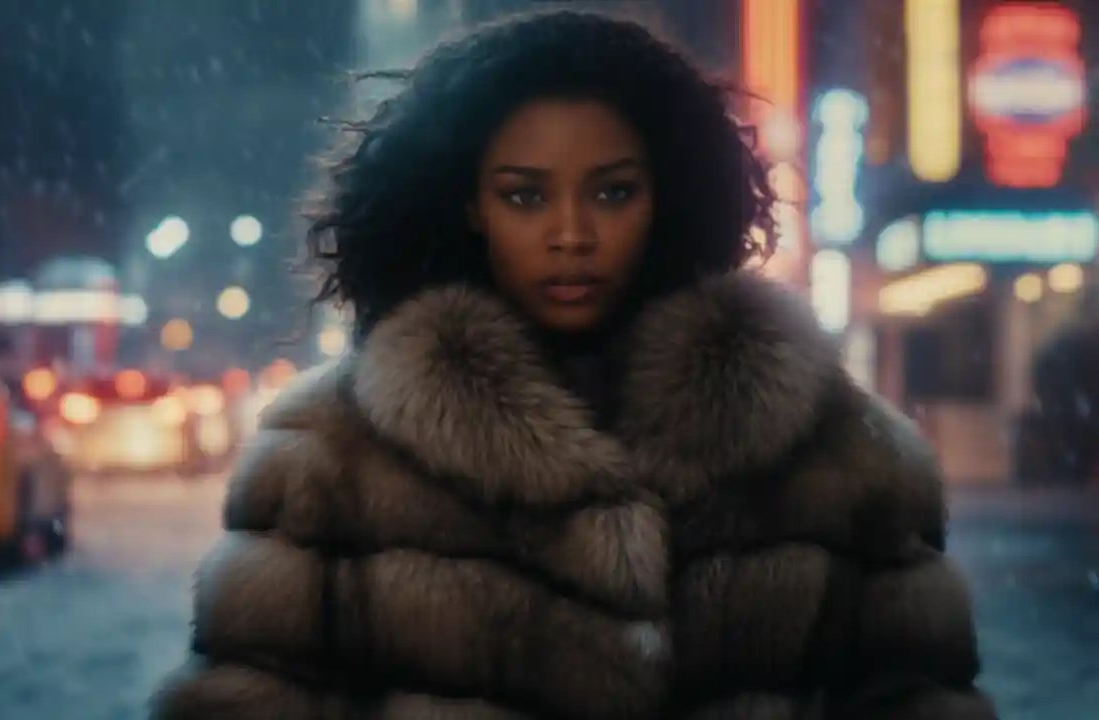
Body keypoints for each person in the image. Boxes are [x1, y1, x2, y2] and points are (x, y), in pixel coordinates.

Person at [153, 10, 993, 719]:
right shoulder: (334, 457)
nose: (571, 233)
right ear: (469, 206)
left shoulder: (831, 448)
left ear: (666, 199)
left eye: (612, 191)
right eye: (524, 194)